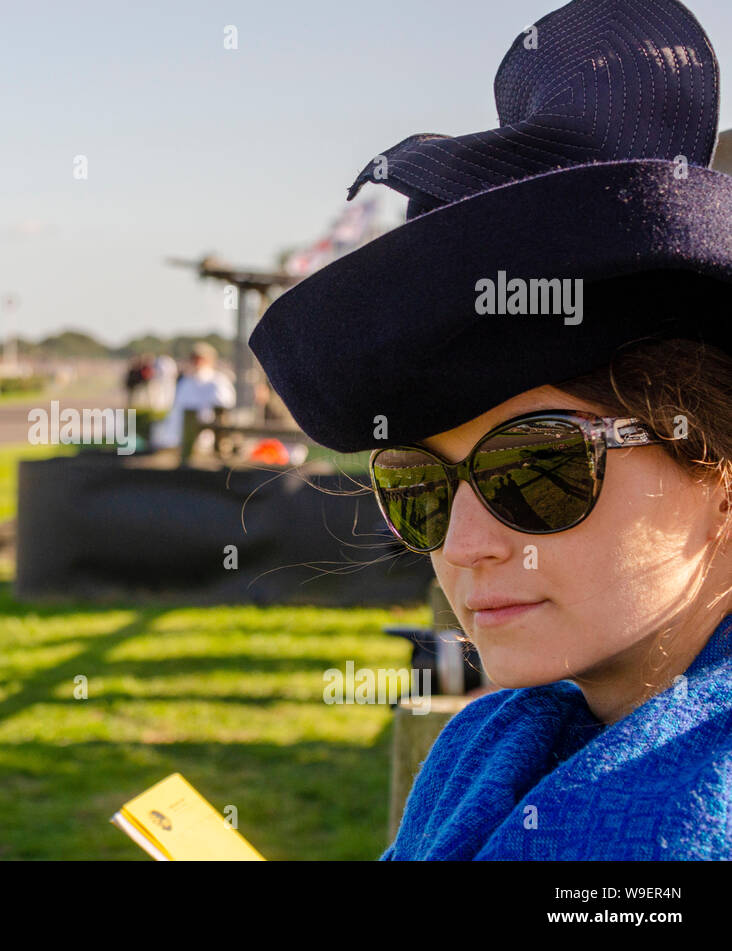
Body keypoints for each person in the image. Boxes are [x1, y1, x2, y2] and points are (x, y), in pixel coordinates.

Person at [250, 0, 732, 860]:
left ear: (720, 469)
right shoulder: (479, 753)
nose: (465, 545)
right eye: (419, 487)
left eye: (539, 466)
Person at [149, 342, 235, 451]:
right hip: (178, 438)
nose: (196, 363)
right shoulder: (186, 381)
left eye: (200, 359)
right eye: (194, 359)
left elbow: (223, 406)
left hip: (206, 437)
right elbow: (176, 410)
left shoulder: (218, 381)